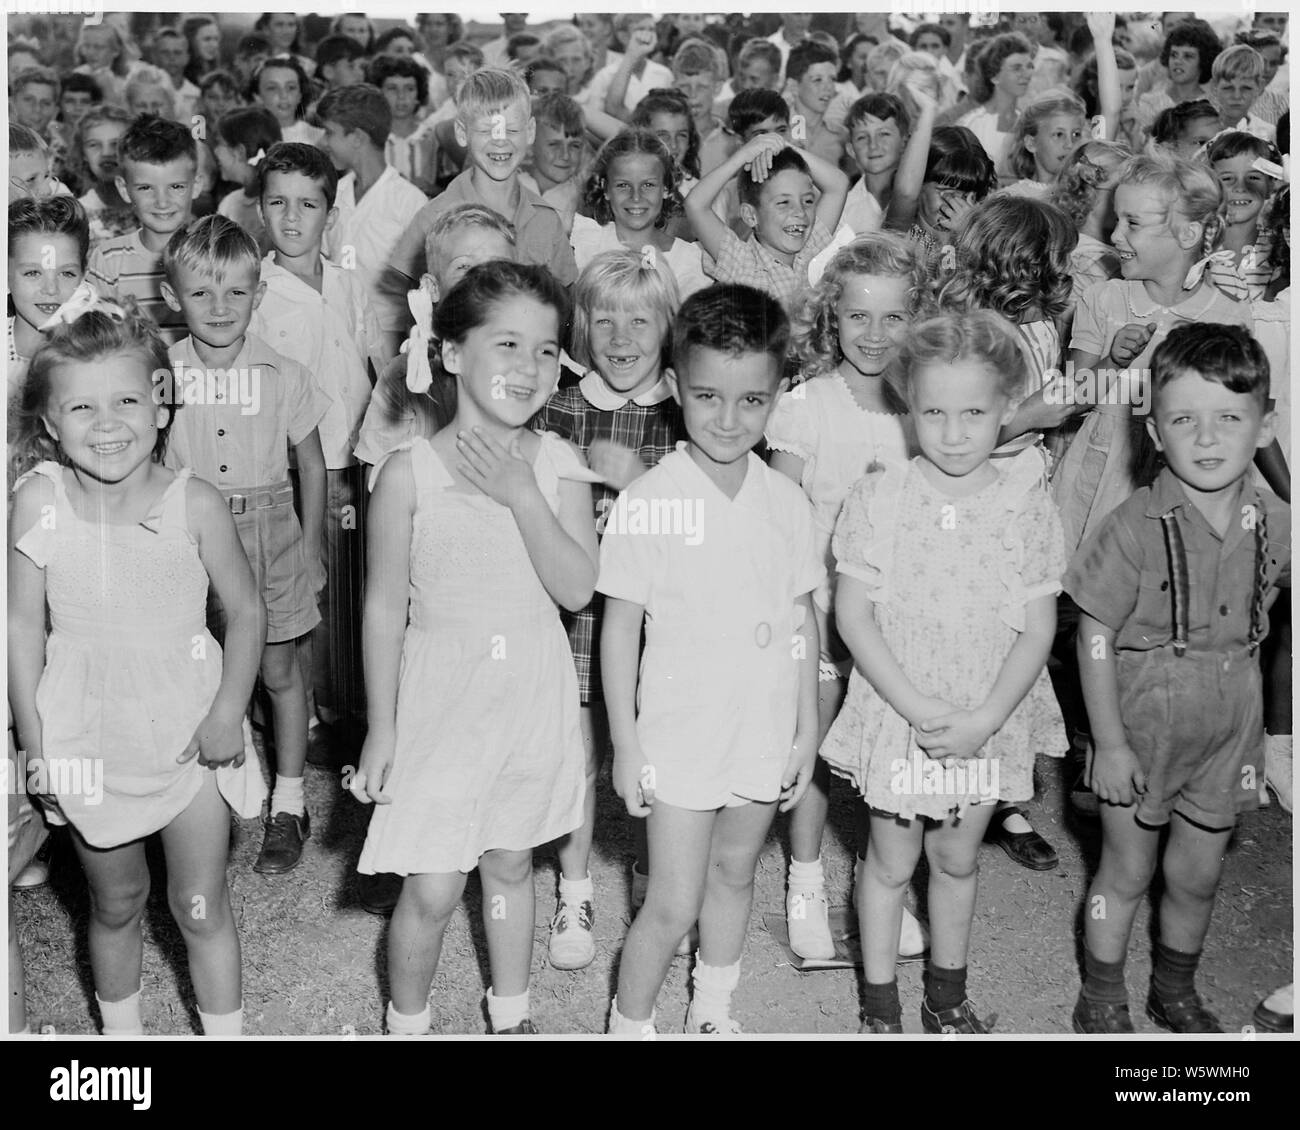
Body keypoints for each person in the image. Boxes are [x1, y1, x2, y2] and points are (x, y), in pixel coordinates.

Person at [8, 290, 267, 1034]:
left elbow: (247, 613)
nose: (108, 423)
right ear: (50, 425)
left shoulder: (197, 503)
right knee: (115, 903)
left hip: (191, 733)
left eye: (127, 399)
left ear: (162, 407)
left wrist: (227, 714)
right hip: (86, 735)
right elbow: (22, 626)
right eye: (82, 409)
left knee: (199, 904)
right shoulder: (38, 500)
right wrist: (35, 745)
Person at [353, 261, 596, 1035]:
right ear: (451, 354)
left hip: (527, 691)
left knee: (512, 862)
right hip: (440, 698)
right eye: (508, 345)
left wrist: (524, 494)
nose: (530, 368)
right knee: (430, 885)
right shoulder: (407, 473)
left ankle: (512, 1012)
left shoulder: (558, 467)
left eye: (547, 350)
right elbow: (384, 608)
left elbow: (577, 590)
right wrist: (382, 727)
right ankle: (408, 1021)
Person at [823, 309, 1066, 1033]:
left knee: (957, 862)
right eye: (934, 411)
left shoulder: (1025, 502)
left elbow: (1038, 624)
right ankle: (878, 1007)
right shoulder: (880, 497)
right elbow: (855, 617)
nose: (953, 432)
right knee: (891, 864)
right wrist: (916, 707)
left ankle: (946, 996)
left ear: (1006, 409)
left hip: (984, 712)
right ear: (908, 405)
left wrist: (986, 717)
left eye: (974, 413)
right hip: (904, 711)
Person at [603, 283, 822, 1036]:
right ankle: (629, 1022)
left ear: (777, 396)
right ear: (674, 389)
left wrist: (806, 731)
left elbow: (802, 619)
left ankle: (713, 1009)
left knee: (735, 874)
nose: (729, 421)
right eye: (707, 397)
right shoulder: (649, 500)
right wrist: (627, 745)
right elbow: (619, 630)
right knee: (671, 900)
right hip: (680, 733)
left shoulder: (787, 502)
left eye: (752, 401)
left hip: (759, 727)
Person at [1067, 323, 1289, 1033]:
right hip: (1142, 727)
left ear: (1264, 427)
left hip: (1231, 731)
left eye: (1229, 417)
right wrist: (1109, 744)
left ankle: (1176, 990)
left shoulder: (1277, 525)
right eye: (1183, 419)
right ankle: (1101, 993)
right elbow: (1094, 636)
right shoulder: (1133, 524)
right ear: (1155, 433)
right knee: (1125, 874)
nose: (1207, 437)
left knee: (1197, 878)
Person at [770, 233, 930, 960]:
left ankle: (881, 882)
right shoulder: (807, 406)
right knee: (815, 748)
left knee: (889, 756)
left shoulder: (924, 410)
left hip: (900, 617)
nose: (874, 335)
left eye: (893, 318)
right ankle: (804, 879)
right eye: (858, 317)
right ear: (831, 318)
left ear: (917, 320)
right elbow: (777, 512)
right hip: (821, 607)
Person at [160, 215, 328, 876]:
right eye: (202, 293)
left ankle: (289, 803)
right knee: (196, 673)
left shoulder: (284, 373)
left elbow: (312, 466)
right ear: (173, 297)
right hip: (191, 543)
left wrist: (312, 546)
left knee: (281, 672)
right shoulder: (162, 375)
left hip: (272, 535)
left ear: (258, 295)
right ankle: (203, 795)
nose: (220, 308)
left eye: (236, 292)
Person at [533, 249, 684, 969]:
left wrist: (646, 479)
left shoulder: (688, 415)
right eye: (605, 320)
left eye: (640, 320)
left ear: (668, 328)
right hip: (578, 615)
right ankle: (574, 886)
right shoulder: (556, 409)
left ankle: (663, 886)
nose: (621, 338)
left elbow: (709, 516)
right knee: (581, 753)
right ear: (582, 327)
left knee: (663, 758)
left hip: (664, 624)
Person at [250, 142, 384, 773]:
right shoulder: (259, 291)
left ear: (331, 212)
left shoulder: (349, 281)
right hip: (296, 467)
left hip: (357, 461)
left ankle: (347, 711)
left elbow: (368, 366)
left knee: (356, 593)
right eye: (278, 202)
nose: (294, 217)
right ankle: (299, 716)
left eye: (309, 204)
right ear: (260, 210)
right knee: (303, 591)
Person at [1052, 154, 1254, 556]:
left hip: (1176, 479)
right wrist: (1114, 362)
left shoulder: (1228, 317)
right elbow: (1070, 400)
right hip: (1098, 474)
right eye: (1117, 219)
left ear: (1188, 233)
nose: (1115, 236)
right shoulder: (1105, 299)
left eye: (1133, 224)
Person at [388, 69, 577, 304]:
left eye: (512, 130)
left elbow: (566, 303)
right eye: (487, 130)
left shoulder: (546, 219)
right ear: (462, 132)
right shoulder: (432, 218)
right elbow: (403, 301)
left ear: (530, 132)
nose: (500, 141)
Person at [318, 84, 429, 364]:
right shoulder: (334, 193)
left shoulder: (409, 202)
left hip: (390, 340)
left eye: (330, 132)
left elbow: (420, 286)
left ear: (356, 138)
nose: (324, 141)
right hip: (336, 334)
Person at [686, 132, 847, 315]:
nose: (800, 212)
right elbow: (695, 204)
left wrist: (781, 146)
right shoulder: (742, 263)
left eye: (808, 201)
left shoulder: (812, 247)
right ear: (750, 216)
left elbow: (838, 184)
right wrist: (743, 156)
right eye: (783, 203)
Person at [85, 115, 197, 345]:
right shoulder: (108, 260)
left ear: (197, 185)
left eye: (176, 187)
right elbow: (97, 339)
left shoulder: (214, 252)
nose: (162, 202)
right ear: (124, 190)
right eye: (146, 188)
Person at [573, 129, 709, 300]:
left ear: (666, 188)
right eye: (623, 185)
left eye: (648, 185)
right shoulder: (585, 241)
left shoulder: (688, 261)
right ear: (606, 188)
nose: (636, 197)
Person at [7, 195, 88, 415]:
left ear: (83, 276)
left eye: (67, 273)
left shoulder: (98, 352)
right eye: (33, 273)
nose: (51, 289)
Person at [1204, 131, 1283, 300]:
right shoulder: (1195, 245)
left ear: (1270, 186)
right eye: (1227, 178)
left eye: (1253, 178)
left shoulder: (1280, 249)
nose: (1240, 187)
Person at [956, 33, 1035, 180]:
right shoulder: (971, 124)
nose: (1027, 74)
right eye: (1017, 68)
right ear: (994, 76)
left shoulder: (1029, 122)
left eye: (1029, 66)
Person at [211, 106, 282, 254]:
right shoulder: (229, 204)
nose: (215, 151)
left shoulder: (281, 204)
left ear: (239, 152)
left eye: (219, 143)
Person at [69, 106, 136, 246]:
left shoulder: (151, 206)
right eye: (94, 145)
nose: (106, 153)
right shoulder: (77, 217)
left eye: (115, 144)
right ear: (83, 154)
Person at [1002, 91, 1089, 198]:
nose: (1070, 144)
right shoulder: (1012, 199)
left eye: (1076, 134)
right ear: (1031, 143)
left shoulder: (1087, 195)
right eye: (1059, 134)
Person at [521, 92, 586, 234]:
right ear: (529, 145)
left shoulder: (582, 193)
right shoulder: (509, 184)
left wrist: (576, 109)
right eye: (554, 144)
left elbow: (623, 136)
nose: (565, 155)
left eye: (575, 146)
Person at [785, 40, 845, 166]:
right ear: (794, 86)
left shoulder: (840, 136)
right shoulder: (776, 131)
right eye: (817, 80)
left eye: (832, 79)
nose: (828, 87)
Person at [248, 56, 322, 147]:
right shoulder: (244, 139)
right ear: (257, 96)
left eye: (291, 88)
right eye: (272, 88)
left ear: (300, 94)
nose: (283, 95)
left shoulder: (319, 139)